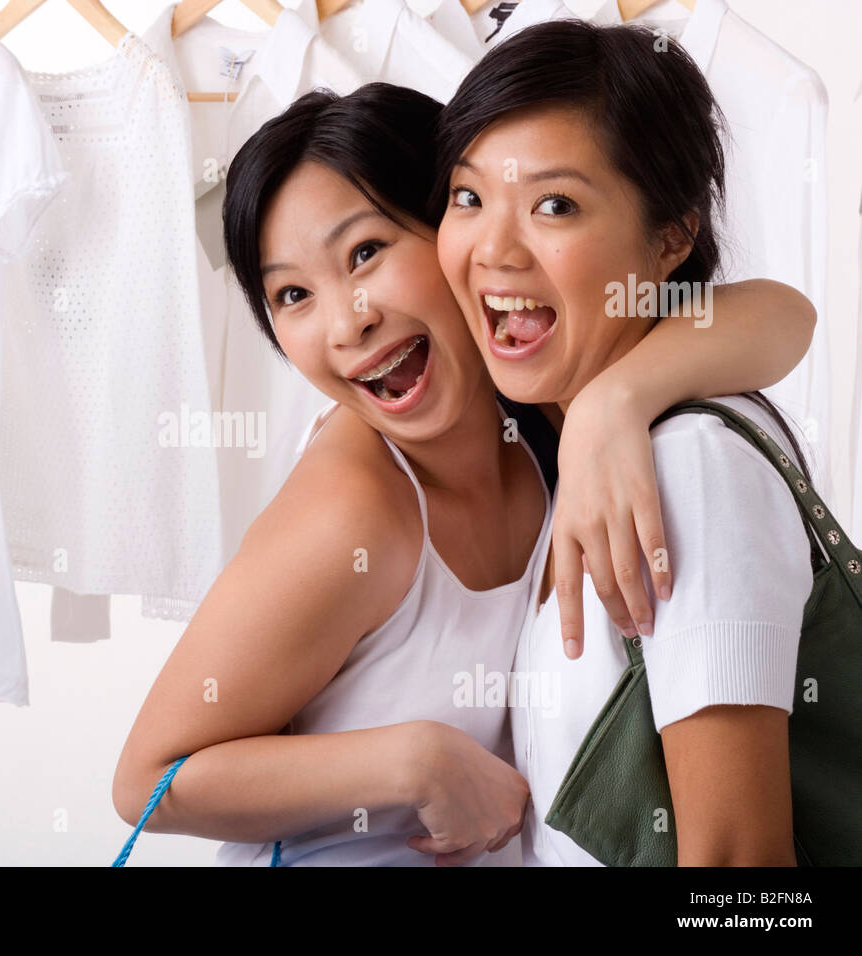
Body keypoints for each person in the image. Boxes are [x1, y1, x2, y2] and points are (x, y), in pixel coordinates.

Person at [112, 78, 816, 865]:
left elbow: (786, 316)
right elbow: (146, 780)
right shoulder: (353, 506)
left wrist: (613, 402)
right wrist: (413, 764)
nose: (349, 322)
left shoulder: (544, 416)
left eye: (367, 253)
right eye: (292, 295)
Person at [435, 19, 817, 865]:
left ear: (671, 238)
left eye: (554, 205)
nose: (493, 249)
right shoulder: (579, 448)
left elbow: (738, 870)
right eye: (468, 197)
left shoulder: (687, 464)